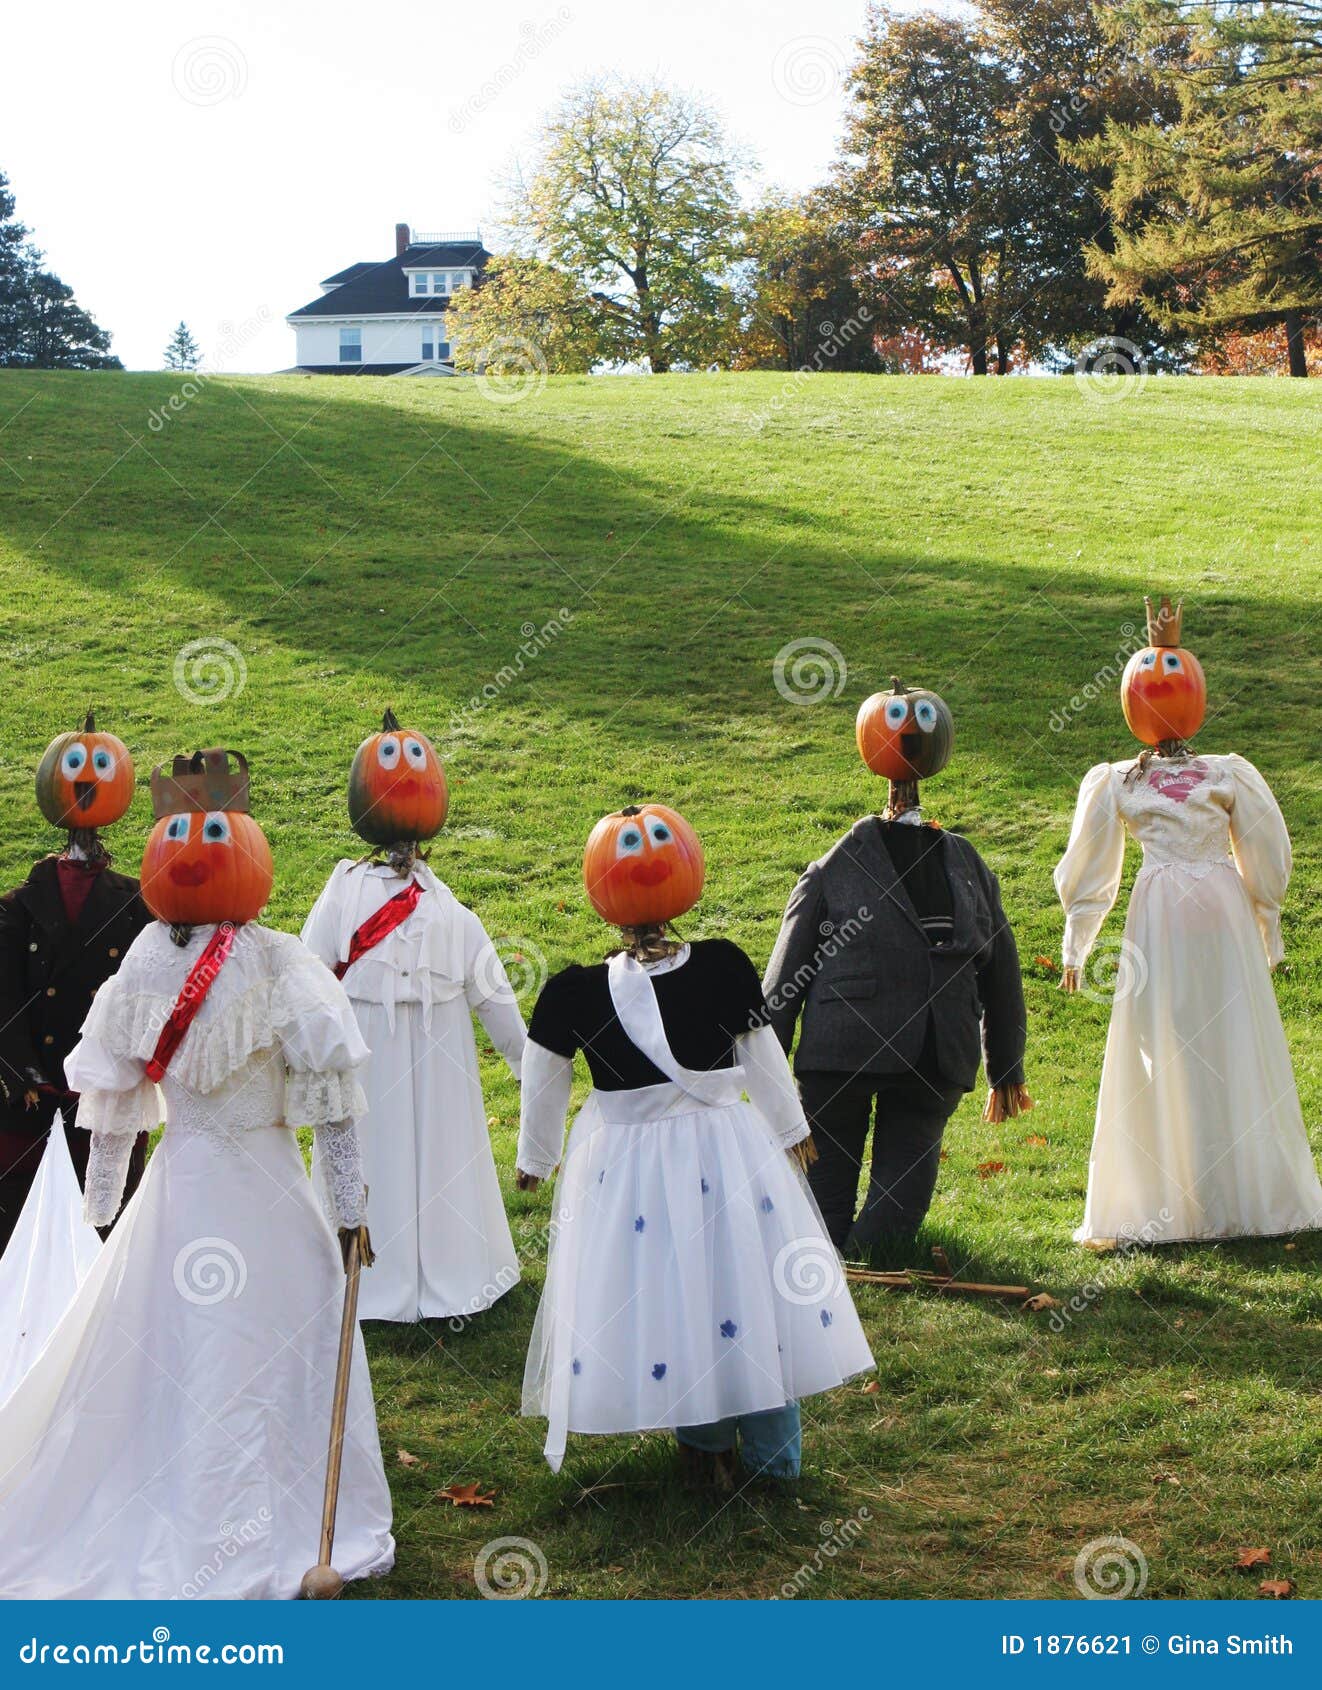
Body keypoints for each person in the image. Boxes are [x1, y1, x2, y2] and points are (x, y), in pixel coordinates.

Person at [0, 749, 394, 1599]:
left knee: (197, 1351)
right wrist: (349, 1208)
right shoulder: (238, 961)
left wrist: (103, 1215)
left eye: (212, 832)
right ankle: (252, 1517)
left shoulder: (198, 960)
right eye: (180, 832)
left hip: (190, 1193)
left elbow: (116, 1098)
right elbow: (320, 1104)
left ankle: (217, 1508)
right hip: (241, 1188)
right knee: (245, 1346)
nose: (195, 847)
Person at [517, 802, 873, 1484]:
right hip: (728, 1153)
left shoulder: (571, 993)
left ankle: (704, 1449)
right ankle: (771, 1460)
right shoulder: (722, 967)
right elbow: (762, 1056)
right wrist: (790, 1130)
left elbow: (543, 1075)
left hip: (627, 1170)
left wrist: (537, 1157)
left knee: (673, 1294)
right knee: (743, 1286)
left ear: (601, 892)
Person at [1057, 598, 1322, 1245]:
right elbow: (1091, 867)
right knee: (1169, 1040)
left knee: (1226, 1034)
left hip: (1197, 915)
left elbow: (1262, 849)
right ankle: (1181, 1191)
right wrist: (1077, 942)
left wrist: (1267, 918)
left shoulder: (1221, 775)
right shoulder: (1123, 781)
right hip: (1178, 917)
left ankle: (1235, 1190)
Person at [763, 679, 1030, 1253]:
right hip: (842, 1052)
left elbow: (1002, 972)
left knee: (898, 1208)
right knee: (823, 1196)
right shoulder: (837, 861)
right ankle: (826, 1268)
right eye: (898, 720)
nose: (909, 730)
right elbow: (787, 973)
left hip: (936, 1053)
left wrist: (1005, 1068)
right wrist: (767, 1066)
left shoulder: (967, 863)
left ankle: (855, 1268)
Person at [301, 711, 525, 1323]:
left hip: (404, 1044)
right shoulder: (409, 901)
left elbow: (308, 977)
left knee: (414, 1152)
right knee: (391, 1154)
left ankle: (423, 1274)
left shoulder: (417, 903)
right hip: (392, 1045)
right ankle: (408, 1273)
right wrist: (528, 1067)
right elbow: (494, 997)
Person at [0, 713, 151, 1254]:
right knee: (23, 1233)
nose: (88, 779)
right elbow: (4, 1000)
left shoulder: (136, 906)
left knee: (102, 1231)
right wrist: (22, 1074)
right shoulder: (18, 908)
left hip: (102, 1097)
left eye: (101, 767)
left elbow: (143, 1000)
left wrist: (120, 1073)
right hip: (32, 1098)